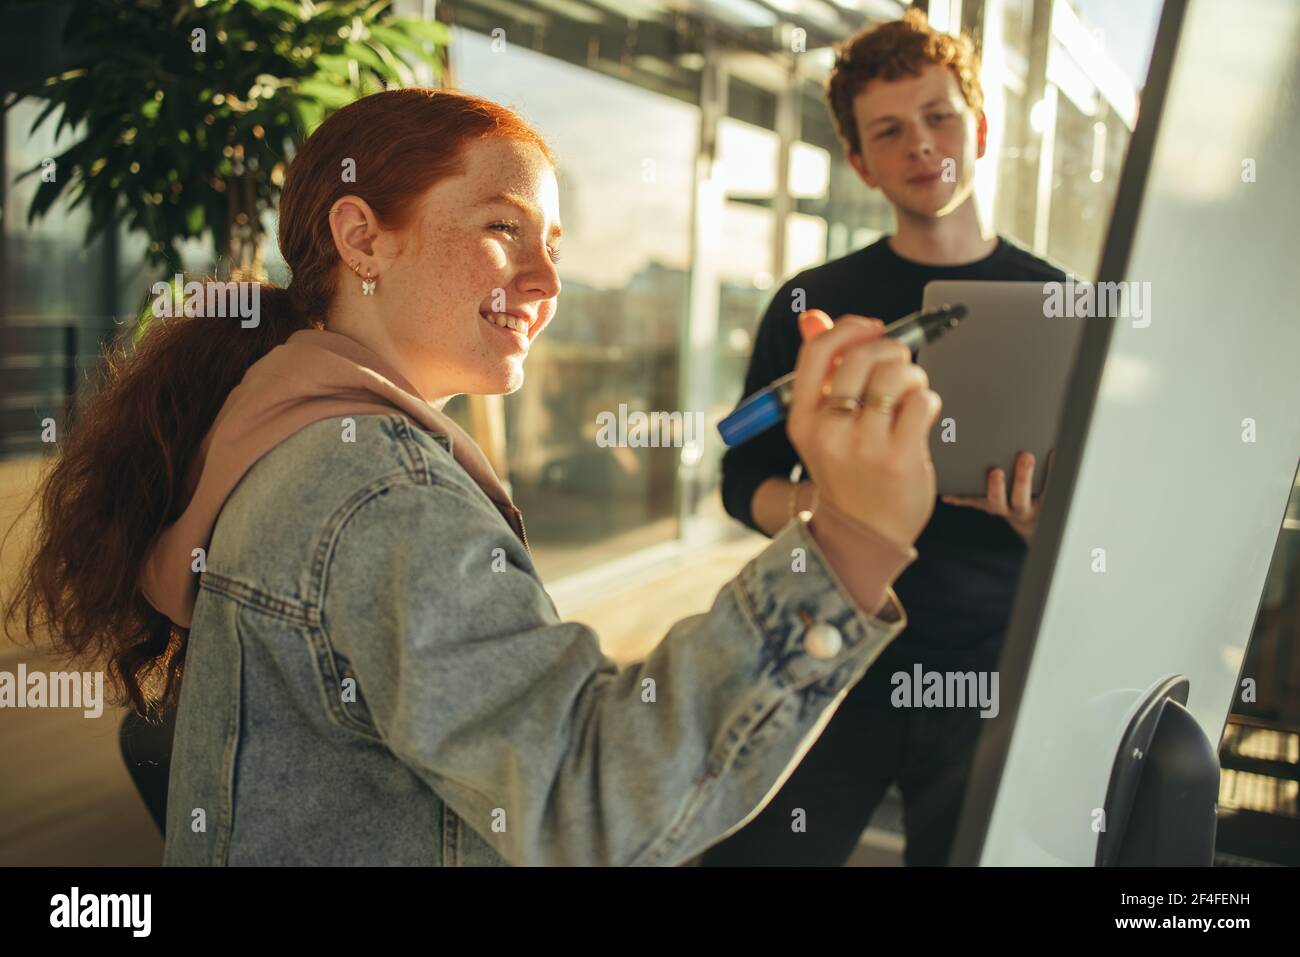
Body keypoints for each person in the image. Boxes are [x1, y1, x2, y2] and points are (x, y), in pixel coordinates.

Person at [6, 87, 945, 866]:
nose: (547, 280)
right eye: (505, 228)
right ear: (363, 239)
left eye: (556, 245)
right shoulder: (378, 494)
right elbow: (587, 799)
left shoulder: (280, 436)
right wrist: (849, 541)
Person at [702, 11, 1068, 867]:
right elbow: (739, 476)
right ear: (862, 163)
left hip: (991, 667)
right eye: (890, 131)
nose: (922, 144)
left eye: (939, 117)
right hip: (833, 647)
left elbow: (1093, 523)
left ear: (977, 129)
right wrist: (832, 505)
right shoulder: (814, 302)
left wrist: (1034, 524)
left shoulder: (1061, 301)